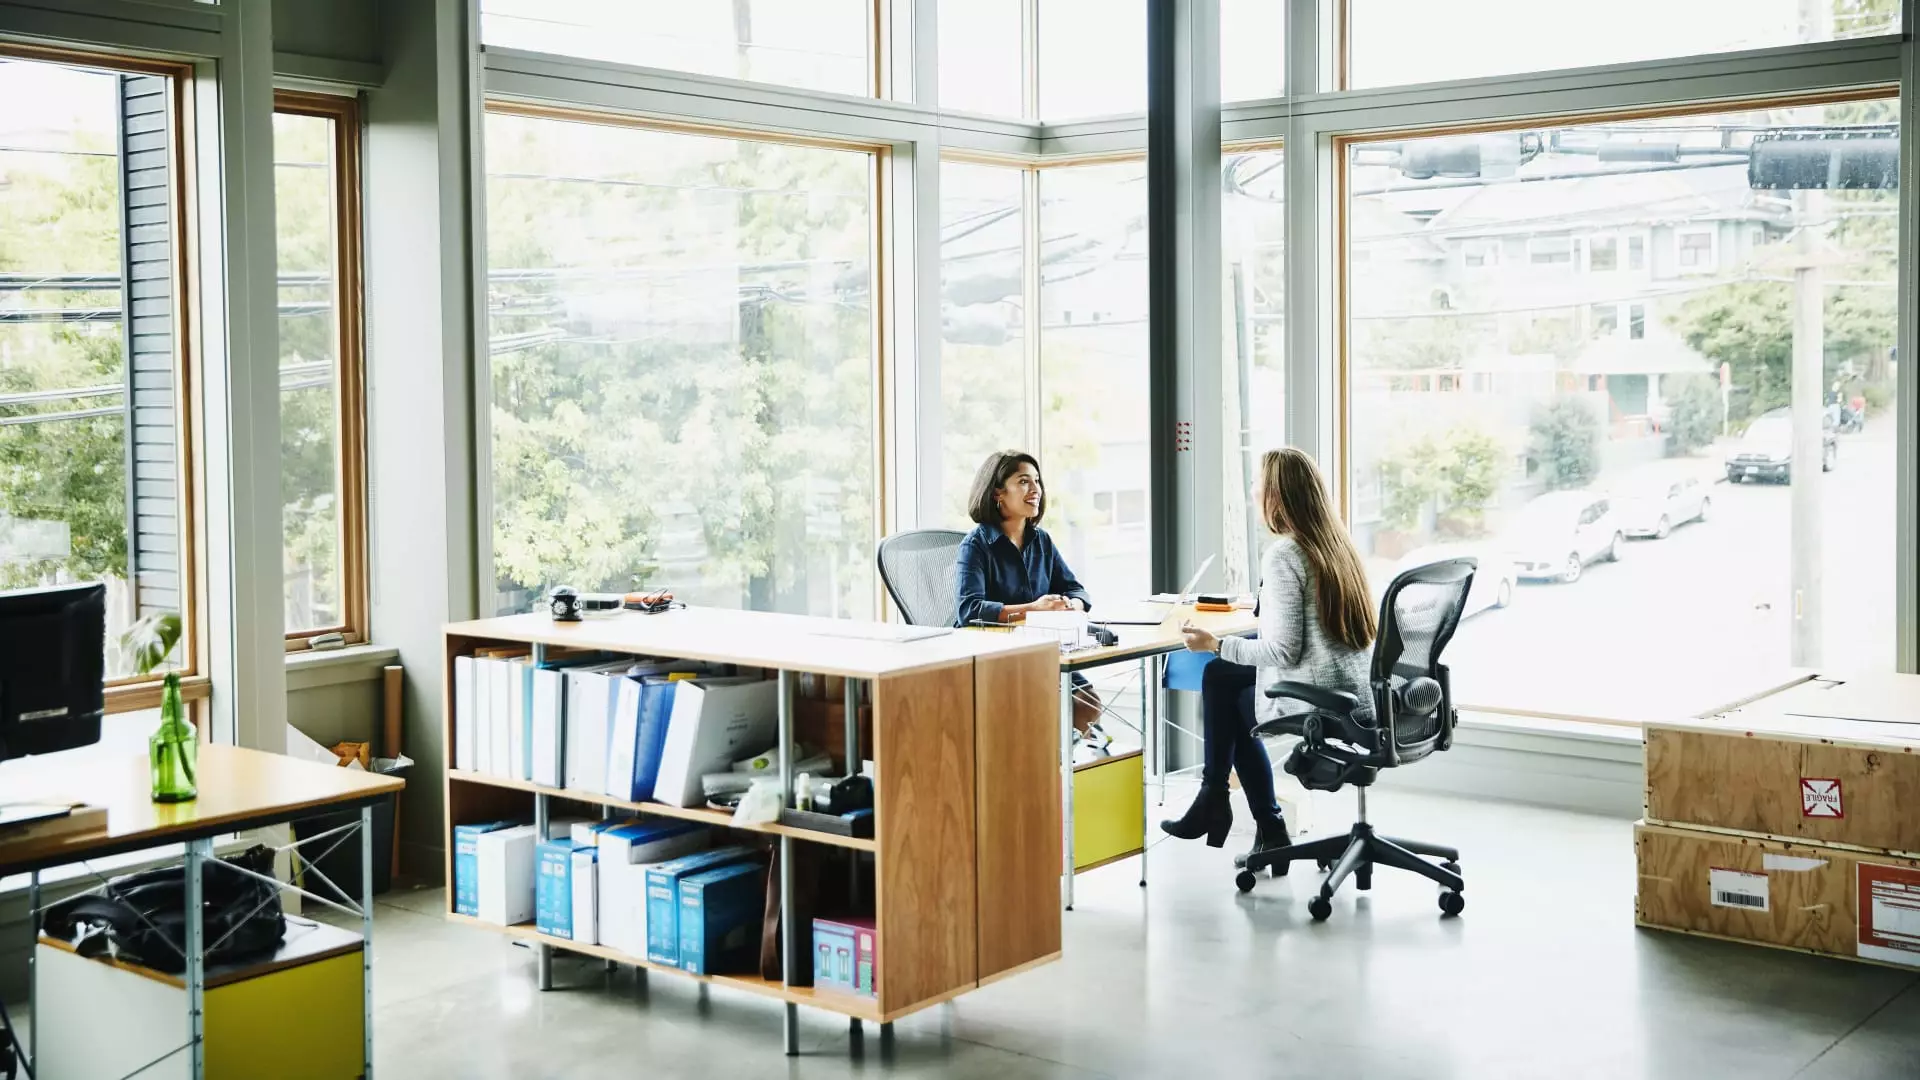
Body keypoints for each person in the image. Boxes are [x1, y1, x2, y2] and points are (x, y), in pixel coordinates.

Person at [1161, 448, 1376, 857]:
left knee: (1227, 686)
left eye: (1258, 484)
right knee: (1222, 681)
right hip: (1351, 686)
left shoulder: (1285, 554)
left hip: (1319, 694)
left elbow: (1281, 650)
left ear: (1276, 495)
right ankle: (1252, 816)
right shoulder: (1336, 544)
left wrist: (1215, 643)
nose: (1253, 491)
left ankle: (1224, 803)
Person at [953, 450, 1105, 745]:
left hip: (1038, 649)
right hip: (991, 655)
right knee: (1038, 713)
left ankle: (1056, 771)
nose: (1035, 490)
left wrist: (1071, 606)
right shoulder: (975, 545)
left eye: (1037, 481)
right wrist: (1033, 609)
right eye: (1024, 481)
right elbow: (968, 610)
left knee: (1086, 704)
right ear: (998, 492)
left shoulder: (1041, 541)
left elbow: (1077, 590)